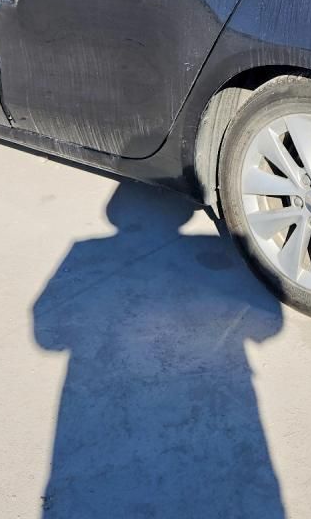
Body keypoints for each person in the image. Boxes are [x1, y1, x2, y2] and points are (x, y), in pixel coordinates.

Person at [33, 182, 285, 518]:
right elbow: (269, 327)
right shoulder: (210, 244)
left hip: (101, 404)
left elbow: (47, 338)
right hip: (223, 391)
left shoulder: (83, 251)